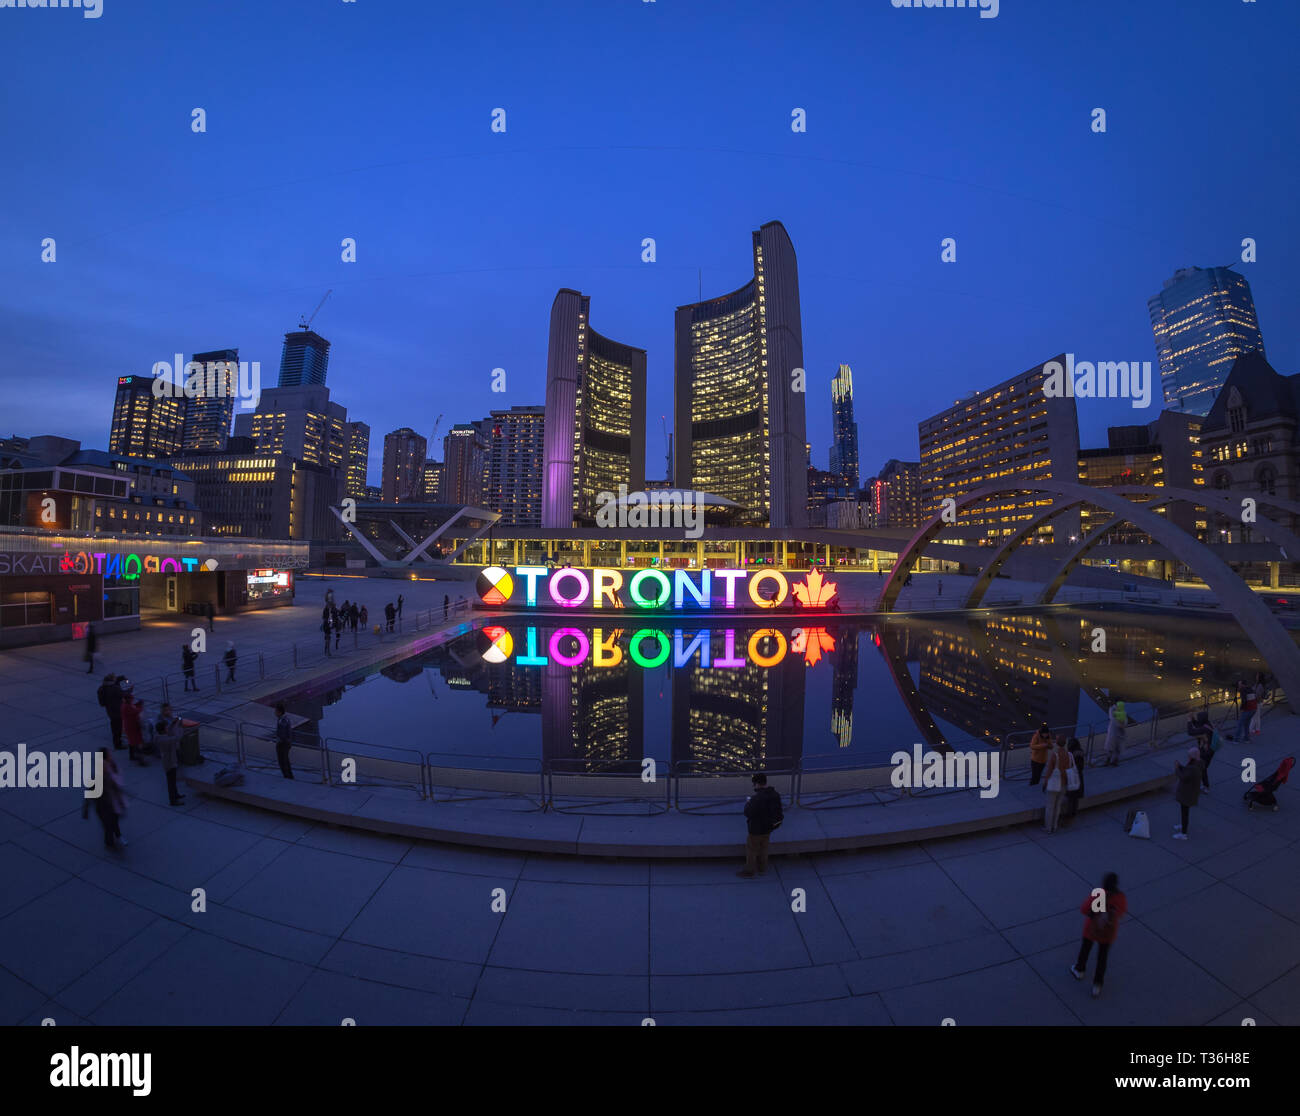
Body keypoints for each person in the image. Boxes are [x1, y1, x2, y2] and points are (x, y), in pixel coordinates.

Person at [1070, 872, 1126, 998]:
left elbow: (1084, 909)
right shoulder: (1120, 898)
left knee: (1086, 949)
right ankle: (1097, 985)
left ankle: (1080, 969)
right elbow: (1121, 913)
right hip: (1107, 933)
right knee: (1102, 958)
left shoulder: (1098, 894)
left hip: (1092, 930)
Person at [737, 773, 784, 878]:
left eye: (754, 784)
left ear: (757, 784)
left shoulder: (757, 798)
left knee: (751, 850)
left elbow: (748, 813)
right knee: (764, 848)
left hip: (756, 829)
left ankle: (749, 871)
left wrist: (749, 803)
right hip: (769, 828)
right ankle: (762, 868)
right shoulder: (775, 794)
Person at [94, 747, 126, 850]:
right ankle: (110, 842)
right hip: (105, 805)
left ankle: (117, 836)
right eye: (109, 754)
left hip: (112, 802)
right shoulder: (99, 778)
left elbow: (118, 781)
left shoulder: (111, 766)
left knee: (114, 820)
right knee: (108, 824)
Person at [154, 704, 186, 807]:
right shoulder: (164, 740)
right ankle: (173, 800)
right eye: (166, 728)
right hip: (169, 762)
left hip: (170, 761)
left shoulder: (161, 736)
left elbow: (170, 732)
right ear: (163, 730)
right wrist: (179, 727)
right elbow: (177, 737)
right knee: (171, 782)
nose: (168, 729)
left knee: (173, 780)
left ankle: (176, 795)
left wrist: (173, 723)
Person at [1042, 735, 1074, 834]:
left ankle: (1048, 827)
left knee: (1050, 807)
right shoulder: (1069, 755)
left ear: (1057, 743)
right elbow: (1070, 769)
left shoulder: (1055, 755)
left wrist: (1045, 782)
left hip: (1053, 784)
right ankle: (1055, 826)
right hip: (1063, 783)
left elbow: (1049, 771)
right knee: (1058, 806)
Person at [1173, 744, 1203, 840]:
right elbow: (1187, 772)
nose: (1188, 757)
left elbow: (1183, 777)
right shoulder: (1198, 764)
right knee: (1185, 811)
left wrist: (1177, 768)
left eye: (1189, 755)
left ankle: (1183, 833)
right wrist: (1181, 767)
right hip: (1191, 792)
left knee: (1184, 811)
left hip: (1187, 793)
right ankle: (1183, 825)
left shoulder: (1192, 768)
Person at [120, 682, 147, 767]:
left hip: (130, 726)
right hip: (133, 727)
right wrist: (141, 706)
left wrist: (137, 704)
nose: (132, 700)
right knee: (137, 743)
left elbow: (134, 707)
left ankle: (132, 756)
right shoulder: (126, 707)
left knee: (132, 742)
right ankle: (140, 760)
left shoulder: (125, 705)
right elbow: (136, 711)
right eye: (131, 699)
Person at [96, 673, 124, 751]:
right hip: (117, 710)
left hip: (110, 711)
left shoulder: (103, 688)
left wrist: (119, 679)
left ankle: (117, 742)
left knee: (114, 726)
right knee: (118, 728)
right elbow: (122, 694)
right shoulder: (114, 688)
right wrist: (130, 690)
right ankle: (118, 744)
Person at [1062, 737, 1086, 822]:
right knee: (1075, 798)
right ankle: (1073, 813)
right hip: (1078, 777)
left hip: (1073, 777)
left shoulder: (1072, 754)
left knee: (1071, 798)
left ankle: (1069, 815)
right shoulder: (1080, 752)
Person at [1101, 700, 1127, 767]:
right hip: (1116, 731)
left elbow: (1115, 720)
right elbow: (1122, 721)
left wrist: (1121, 724)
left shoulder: (1115, 710)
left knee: (1114, 747)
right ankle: (1111, 760)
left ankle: (1112, 760)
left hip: (1116, 731)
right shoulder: (1116, 710)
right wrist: (1122, 725)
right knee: (1113, 747)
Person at [273, 702, 294, 779]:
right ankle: (288, 776)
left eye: (276, 711)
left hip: (283, 743)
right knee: (284, 760)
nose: (274, 713)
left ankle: (287, 776)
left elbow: (283, 733)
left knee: (283, 761)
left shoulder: (283, 720)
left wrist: (279, 740)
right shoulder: (282, 719)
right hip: (284, 742)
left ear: (279, 712)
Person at [1250, 672, 1267, 736]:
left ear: (1259, 677)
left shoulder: (1259, 685)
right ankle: (1257, 730)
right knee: (1257, 717)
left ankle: (1250, 730)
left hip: (1256, 702)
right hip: (1258, 702)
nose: (1256, 677)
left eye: (1257, 676)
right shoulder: (1258, 684)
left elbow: (1258, 695)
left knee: (1254, 717)